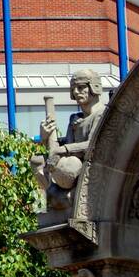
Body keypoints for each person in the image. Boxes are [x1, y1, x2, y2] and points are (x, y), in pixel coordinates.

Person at [32, 69, 106, 204]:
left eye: (81, 87)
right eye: (73, 89)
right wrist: (45, 137)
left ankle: (64, 196)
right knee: (37, 161)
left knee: (71, 164)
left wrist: (62, 149)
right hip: (69, 169)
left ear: (93, 87)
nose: (76, 92)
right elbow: (56, 152)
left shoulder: (103, 114)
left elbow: (93, 144)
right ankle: (53, 194)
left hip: (90, 170)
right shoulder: (75, 119)